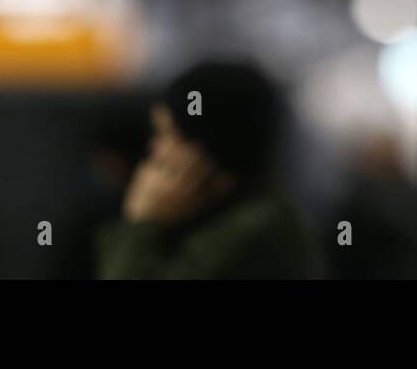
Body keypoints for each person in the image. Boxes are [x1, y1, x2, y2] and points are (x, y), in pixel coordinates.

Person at [97, 61, 320, 279]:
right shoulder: (224, 216)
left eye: (167, 134)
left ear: (204, 148)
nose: (156, 151)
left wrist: (141, 222)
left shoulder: (252, 231)